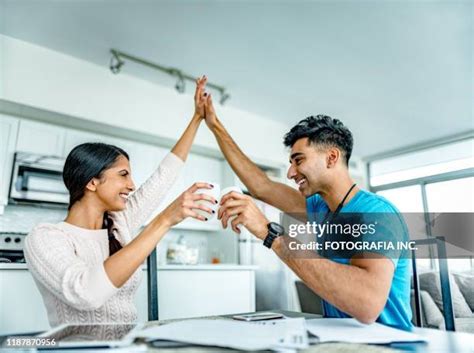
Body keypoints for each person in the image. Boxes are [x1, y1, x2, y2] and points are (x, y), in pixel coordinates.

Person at [200, 88, 412, 330]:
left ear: (331, 158)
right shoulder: (320, 207)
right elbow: (261, 185)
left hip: (388, 344)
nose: (290, 172)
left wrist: (271, 234)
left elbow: (367, 305)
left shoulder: (376, 214)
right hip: (342, 340)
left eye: (299, 160)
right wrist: (214, 125)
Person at [24, 77, 216, 327]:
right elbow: (85, 293)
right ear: (92, 182)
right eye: (123, 175)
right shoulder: (45, 238)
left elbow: (164, 175)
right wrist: (164, 221)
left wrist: (196, 119)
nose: (132, 185)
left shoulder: (119, 222)